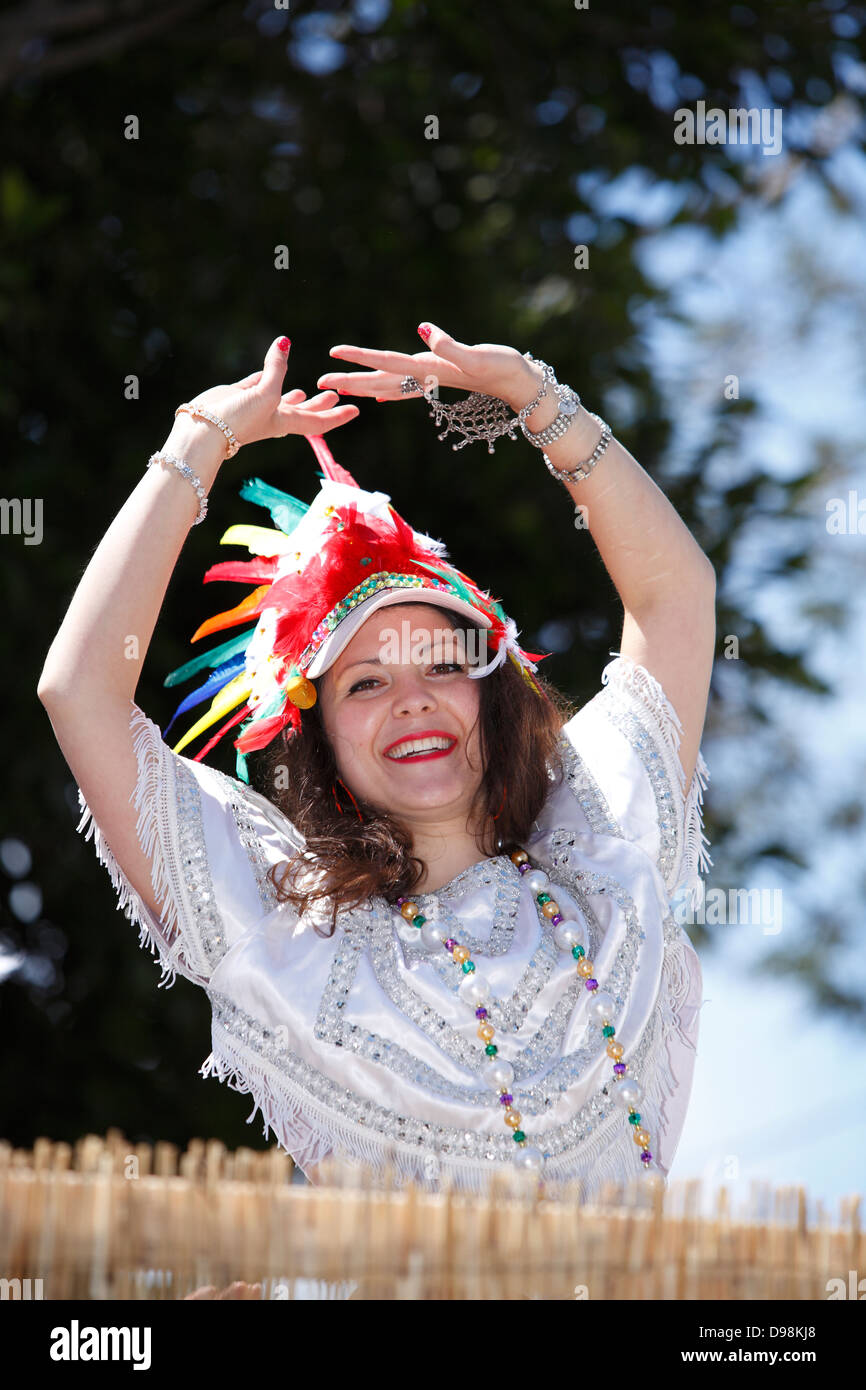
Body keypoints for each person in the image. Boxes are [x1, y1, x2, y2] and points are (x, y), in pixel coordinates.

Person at [37, 325, 715, 1295]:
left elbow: (675, 596)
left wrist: (540, 401)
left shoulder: (597, 835)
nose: (410, 698)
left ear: (494, 693)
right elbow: (81, 695)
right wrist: (198, 440)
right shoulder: (281, 924)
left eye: (443, 664)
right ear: (324, 746)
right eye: (363, 682)